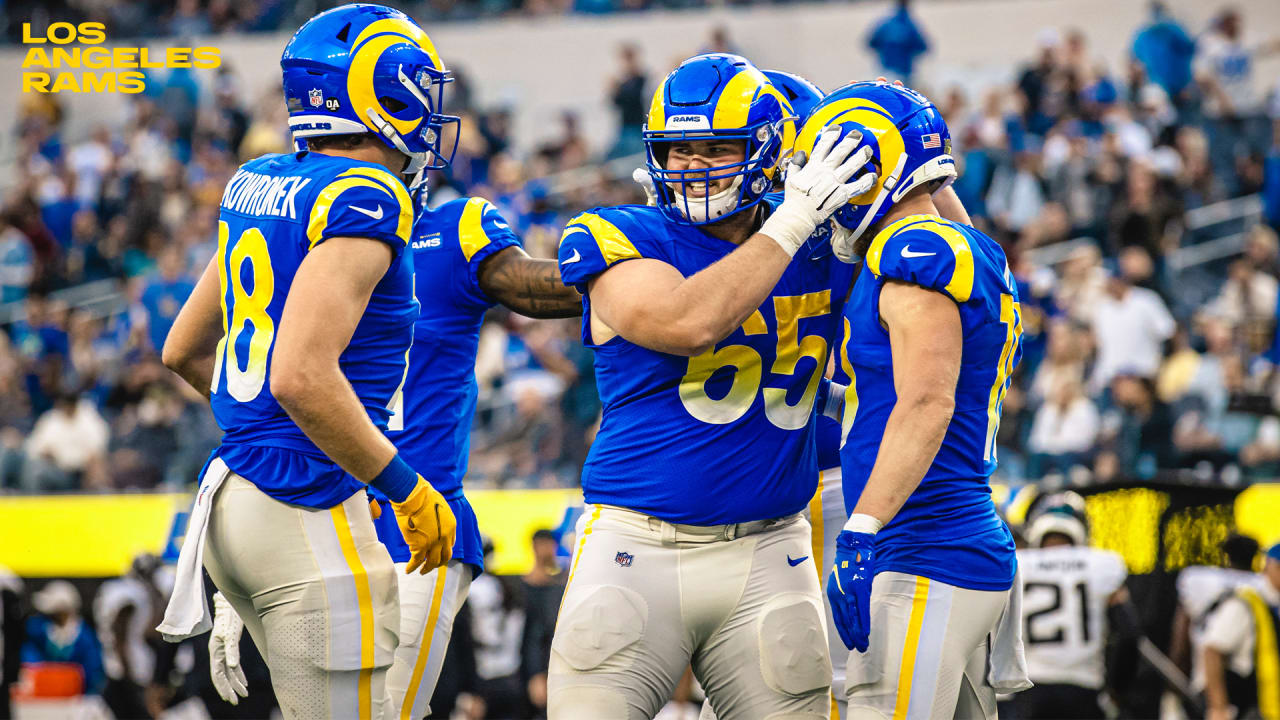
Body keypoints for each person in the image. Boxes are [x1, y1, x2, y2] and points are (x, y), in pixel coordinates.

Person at [207, 124, 581, 720]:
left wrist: (634, 268)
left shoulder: (448, 228)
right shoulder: (327, 218)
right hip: (319, 512)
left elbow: (536, 287)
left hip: (406, 522)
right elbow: (255, 371)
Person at [548, 53, 874, 718]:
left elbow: (954, 260)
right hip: (636, 546)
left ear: (764, 151)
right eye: (677, 149)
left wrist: (900, 153)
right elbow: (687, 322)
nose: (691, 166)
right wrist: (795, 220)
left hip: (771, 549)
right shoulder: (621, 233)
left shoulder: (820, 239)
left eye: (712, 147)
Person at [159, 6, 459, 718]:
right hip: (307, 504)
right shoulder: (366, 195)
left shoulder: (260, 179)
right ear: (385, 91)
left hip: (235, 498)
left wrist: (266, 441)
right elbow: (298, 375)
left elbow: (182, 349)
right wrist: (407, 490)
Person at [811, 81, 1031, 718]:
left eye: (835, 168)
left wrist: (862, 527)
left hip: (924, 548)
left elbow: (928, 403)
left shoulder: (917, 254)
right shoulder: (969, 245)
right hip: (952, 538)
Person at [1014, 493, 1135, 719]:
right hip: (1084, 688)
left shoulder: (1018, 564)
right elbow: (1129, 633)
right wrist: (1118, 690)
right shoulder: (1103, 564)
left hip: (1030, 689)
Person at [1170, 534, 1263, 708]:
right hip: (1255, 688)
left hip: (1207, 685)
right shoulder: (1263, 587)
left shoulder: (1200, 581)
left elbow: (1180, 640)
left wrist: (1174, 685)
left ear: (1225, 555)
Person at [1201, 542, 1280, 720]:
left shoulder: (1273, 605)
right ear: (1268, 567)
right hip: (1248, 707)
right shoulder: (1246, 603)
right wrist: (1219, 708)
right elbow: (1212, 651)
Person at [22, 581, 105, 696]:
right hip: (43, 694)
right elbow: (29, 652)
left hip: (76, 697)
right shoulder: (39, 628)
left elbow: (93, 667)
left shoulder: (84, 637)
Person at [865, 0, 929, 84]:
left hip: (885, 68)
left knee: (883, 92)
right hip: (905, 71)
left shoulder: (885, 24)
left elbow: (871, 42)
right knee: (902, 95)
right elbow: (923, 47)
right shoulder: (910, 25)